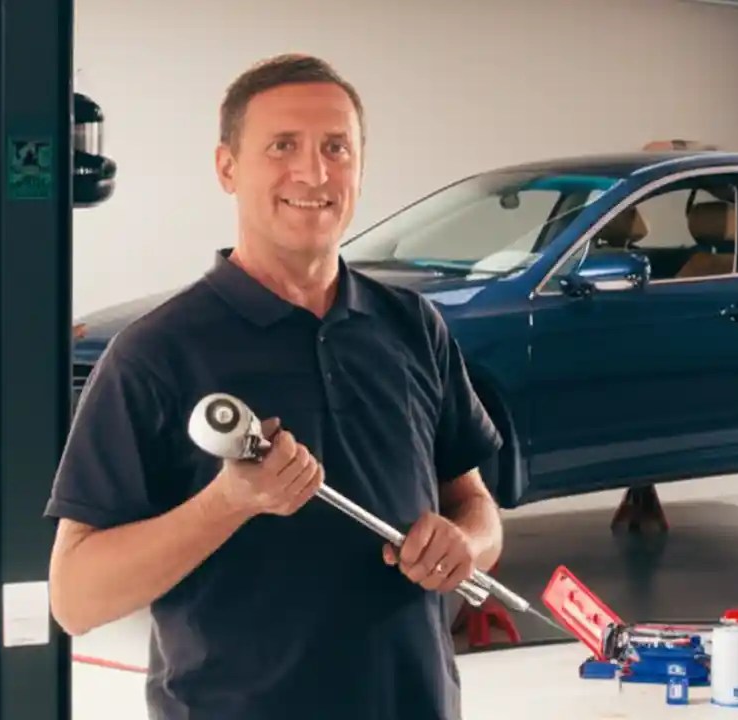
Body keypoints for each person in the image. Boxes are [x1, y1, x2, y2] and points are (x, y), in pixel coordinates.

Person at [44, 53, 505, 720]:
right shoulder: (154, 355)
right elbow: (75, 597)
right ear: (227, 167)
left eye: (336, 149)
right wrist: (227, 503)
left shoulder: (411, 327)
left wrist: (467, 544)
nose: (314, 173)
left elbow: (477, 505)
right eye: (283, 146)